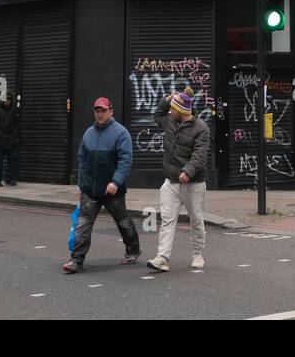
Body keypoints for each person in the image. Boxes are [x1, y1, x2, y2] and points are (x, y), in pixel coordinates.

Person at [63, 97, 141, 272]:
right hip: (89, 189)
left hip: (112, 190)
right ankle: (76, 260)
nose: (100, 114)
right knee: (83, 224)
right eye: (97, 111)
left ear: (111, 111)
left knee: (123, 222)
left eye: (103, 111)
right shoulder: (88, 133)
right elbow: (82, 159)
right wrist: (80, 183)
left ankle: (133, 250)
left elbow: (125, 160)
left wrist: (116, 181)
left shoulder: (121, 133)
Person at [147, 87, 210, 273]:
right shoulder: (169, 121)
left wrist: (188, 171)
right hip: (171, 181)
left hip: (193, 183)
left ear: (180, 111)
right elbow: (157, 114)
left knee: (196, 219)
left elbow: (200, 154)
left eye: (172, 108)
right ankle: (162, 258)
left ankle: (197, 254)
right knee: (167, 219)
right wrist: (170, 97)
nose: (169, 111)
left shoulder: (201, 128)